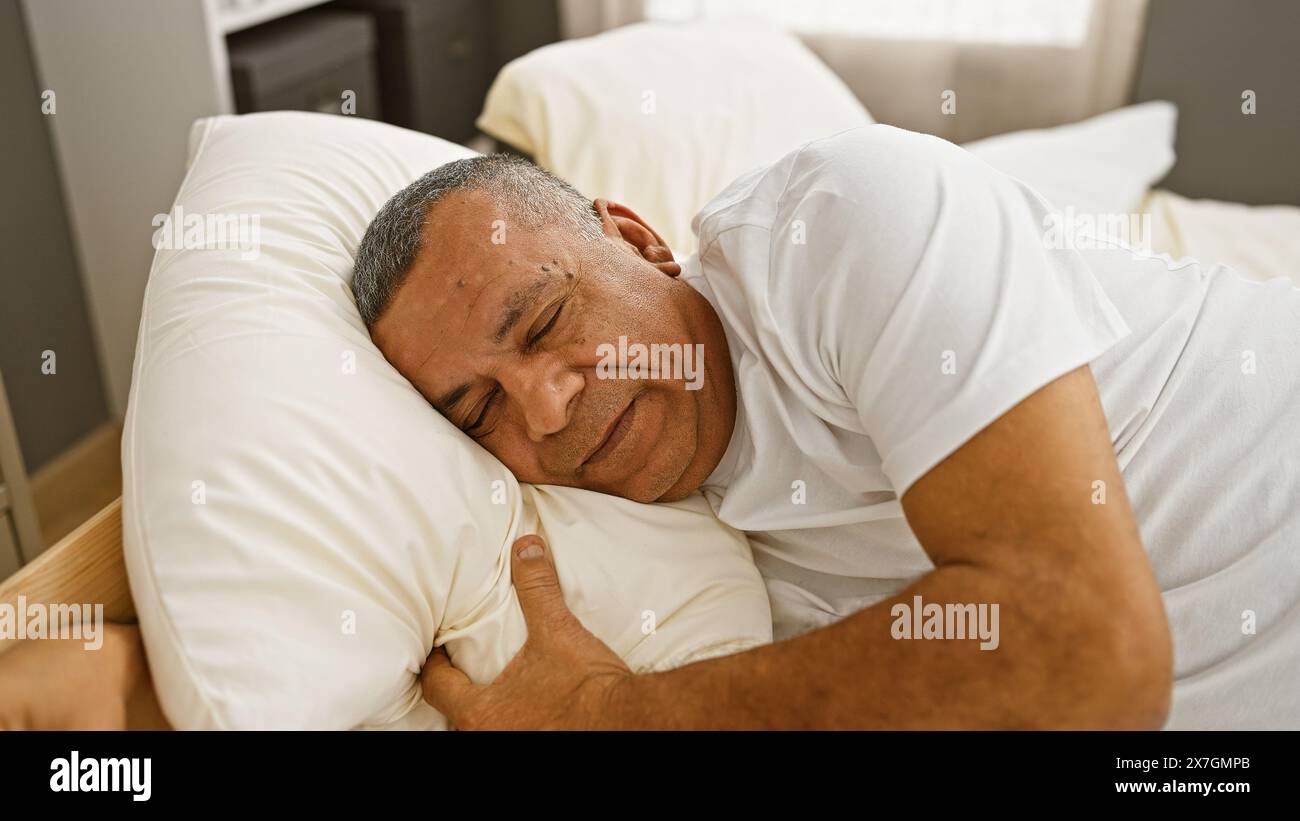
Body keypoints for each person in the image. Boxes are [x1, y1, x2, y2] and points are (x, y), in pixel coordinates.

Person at [353, 124, 1300, 730]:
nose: (547, 409)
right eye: (480, 411)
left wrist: (608, 720)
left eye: (550, 321)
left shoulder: (844, 222)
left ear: (637, 240)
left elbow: (1084, 650)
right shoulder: (648, 557)